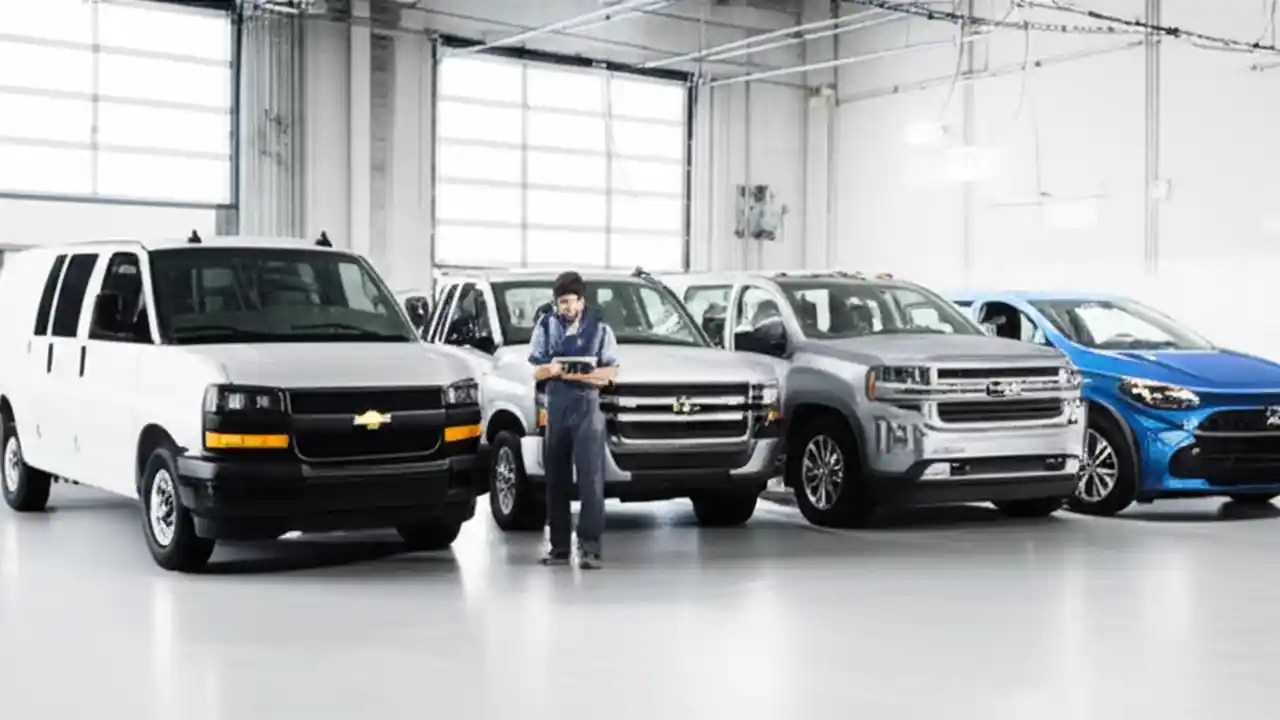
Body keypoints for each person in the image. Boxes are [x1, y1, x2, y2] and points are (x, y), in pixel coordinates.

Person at [528, 271, 619, 569]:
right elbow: (536, 370)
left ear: (582, 301)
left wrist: (584, 375)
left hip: (588, 407)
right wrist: (554, 370)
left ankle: (591, 548)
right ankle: (559, 548)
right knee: (556, 478)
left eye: (572, 301)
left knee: (591, 480)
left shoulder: (601, 330)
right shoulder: (545, 326)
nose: (567, 308)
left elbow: (611, 373)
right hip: (556, 406)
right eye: (562, 302)